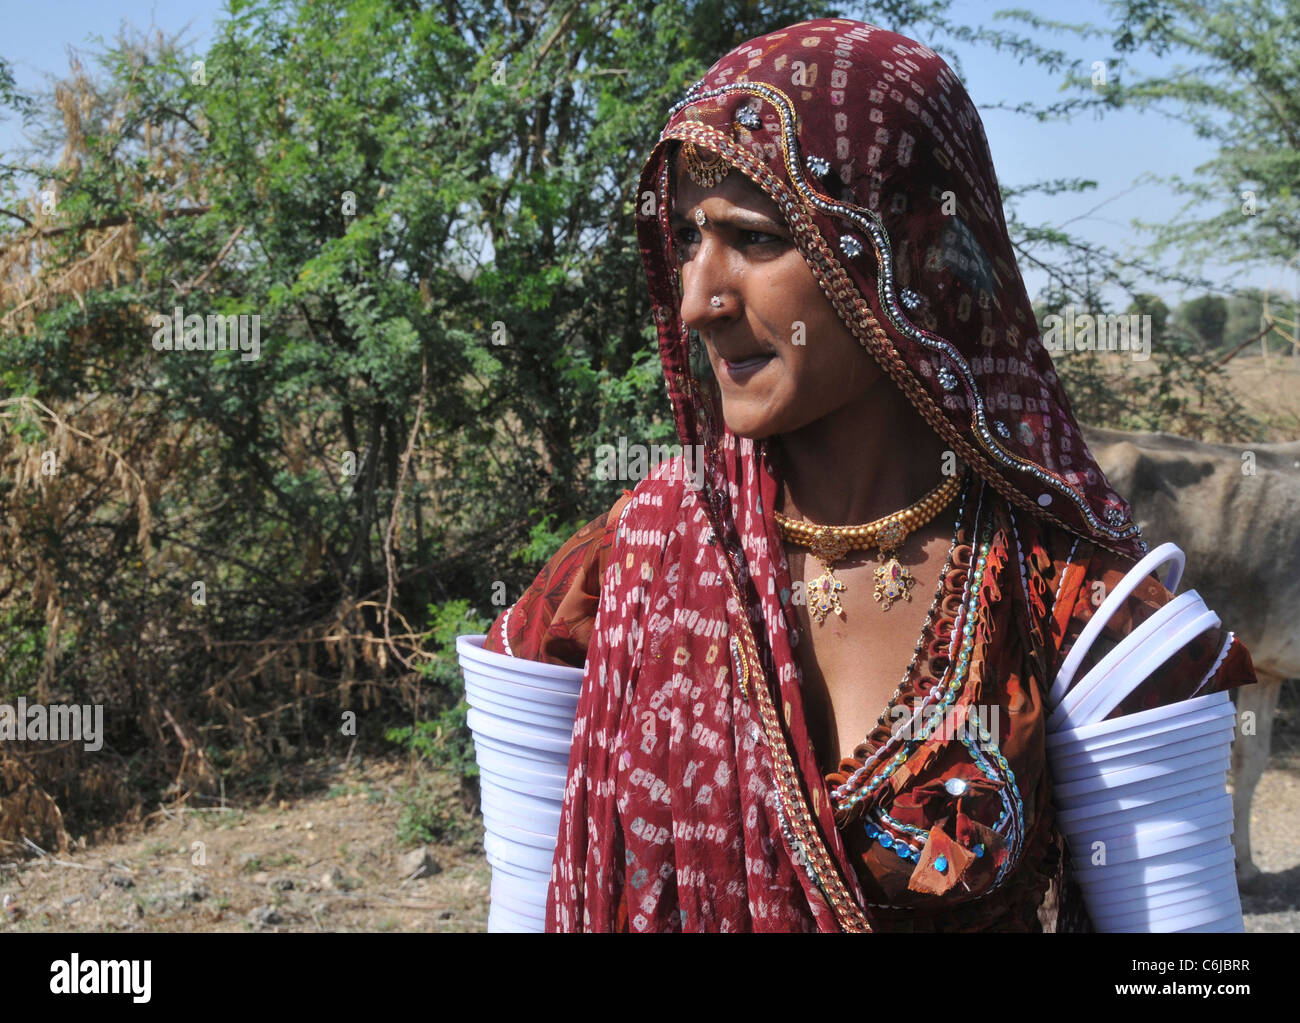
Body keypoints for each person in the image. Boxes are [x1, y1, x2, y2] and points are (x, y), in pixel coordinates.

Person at [483, 17, 1259, 932]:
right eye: (692, 237)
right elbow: (528, 909)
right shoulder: (612, 583)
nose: (699, 297)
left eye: (756, 238)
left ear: (899, 255)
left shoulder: (1070, 604)